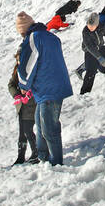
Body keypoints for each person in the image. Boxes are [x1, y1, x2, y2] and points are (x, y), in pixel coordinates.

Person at [15, 11, 73, 166]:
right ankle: (42, 157)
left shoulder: (34, 38)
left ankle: (55, 163)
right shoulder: (50, 36)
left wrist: (23, 85)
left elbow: (27, 67)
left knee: (49, 127)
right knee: (40, 123)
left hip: (48, 88)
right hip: (53, 86)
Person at [8, 53, 39, 164]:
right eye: (18, 60)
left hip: (32, 104)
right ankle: (21, 155)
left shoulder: (33, 69)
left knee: (28, 130)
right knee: (22, 132)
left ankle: (36, 152)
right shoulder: (17, 70)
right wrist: (16, 95)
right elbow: (11, 84)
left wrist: (29, 93)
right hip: (21, 106)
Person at [79, 13, 105, 94]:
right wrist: (99, 57)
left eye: (92, 26)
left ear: (97, 24)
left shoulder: (102, 26)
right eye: (89, 26)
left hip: (100, 47)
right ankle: (84, 93)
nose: (90, 28)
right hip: (89, 51)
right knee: (91, 71)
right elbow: (89, 46)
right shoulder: (85, 31)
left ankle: (103, 69)